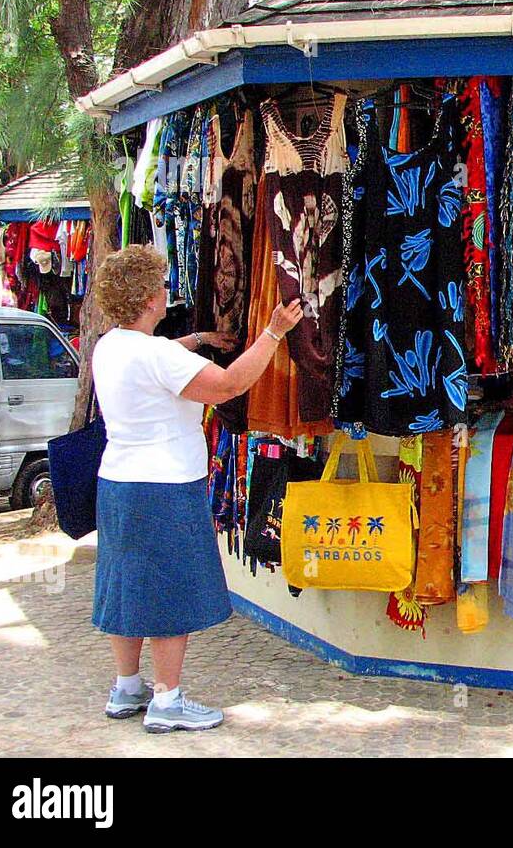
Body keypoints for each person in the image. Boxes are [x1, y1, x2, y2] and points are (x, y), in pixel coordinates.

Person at [90, 244, 303, 734]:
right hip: (164, 486)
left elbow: (160, 356)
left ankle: (126, 688)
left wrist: (198, 338)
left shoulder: (111, 345)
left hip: (118, 482)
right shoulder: (157, 354)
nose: (167, 292)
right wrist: (273, 333)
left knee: (126, 582)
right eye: (161, 286)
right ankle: (167, 701)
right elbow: (228, 385)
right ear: (148, 299)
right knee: (168, 588)